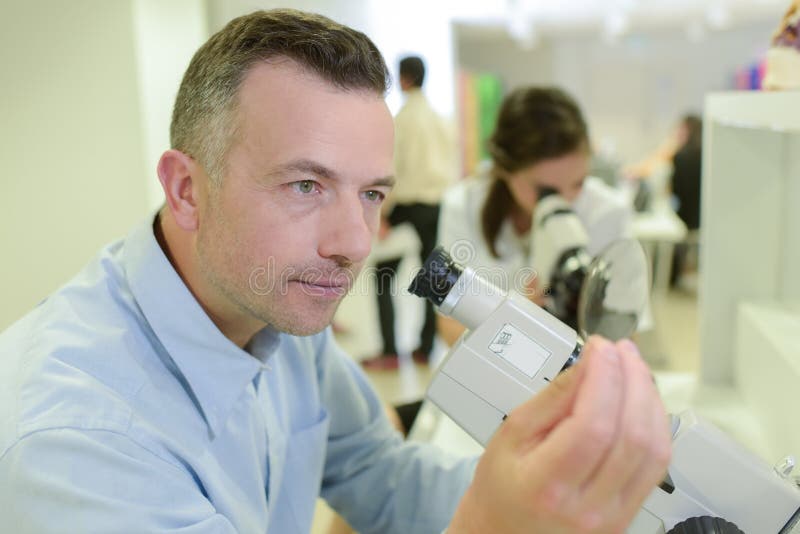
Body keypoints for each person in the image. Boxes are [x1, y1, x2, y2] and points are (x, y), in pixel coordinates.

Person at [0, 10, 671, 534]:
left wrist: (543, 489)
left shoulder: (277, 313)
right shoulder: (77, 443)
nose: (354, 243)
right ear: (186, 191)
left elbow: (380, 473)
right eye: (304, 186)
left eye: (372, 194)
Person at [437, 86, 635, 346]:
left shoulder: (608, 213)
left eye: (578, 183)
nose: (564, 202)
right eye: (546, 192)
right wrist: (515, 317)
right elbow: (449, 323)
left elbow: (625, 336)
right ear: (506, 169)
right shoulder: (463, 205)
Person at [363, 55, 456, 370]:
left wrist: (384, 213)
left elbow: (393, 169)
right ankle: (424, 348)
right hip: (437, 205)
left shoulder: (402, 120)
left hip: (407, 205)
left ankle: (390, 351)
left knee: (383, 277)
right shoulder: (441, 120)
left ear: (404, 79)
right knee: (433, 278)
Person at [669, 114, 703, 287]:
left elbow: (676, 191)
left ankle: (670, 275)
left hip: (685, 218)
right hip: (702, 218)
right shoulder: (708, 156)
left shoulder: (680, 156)